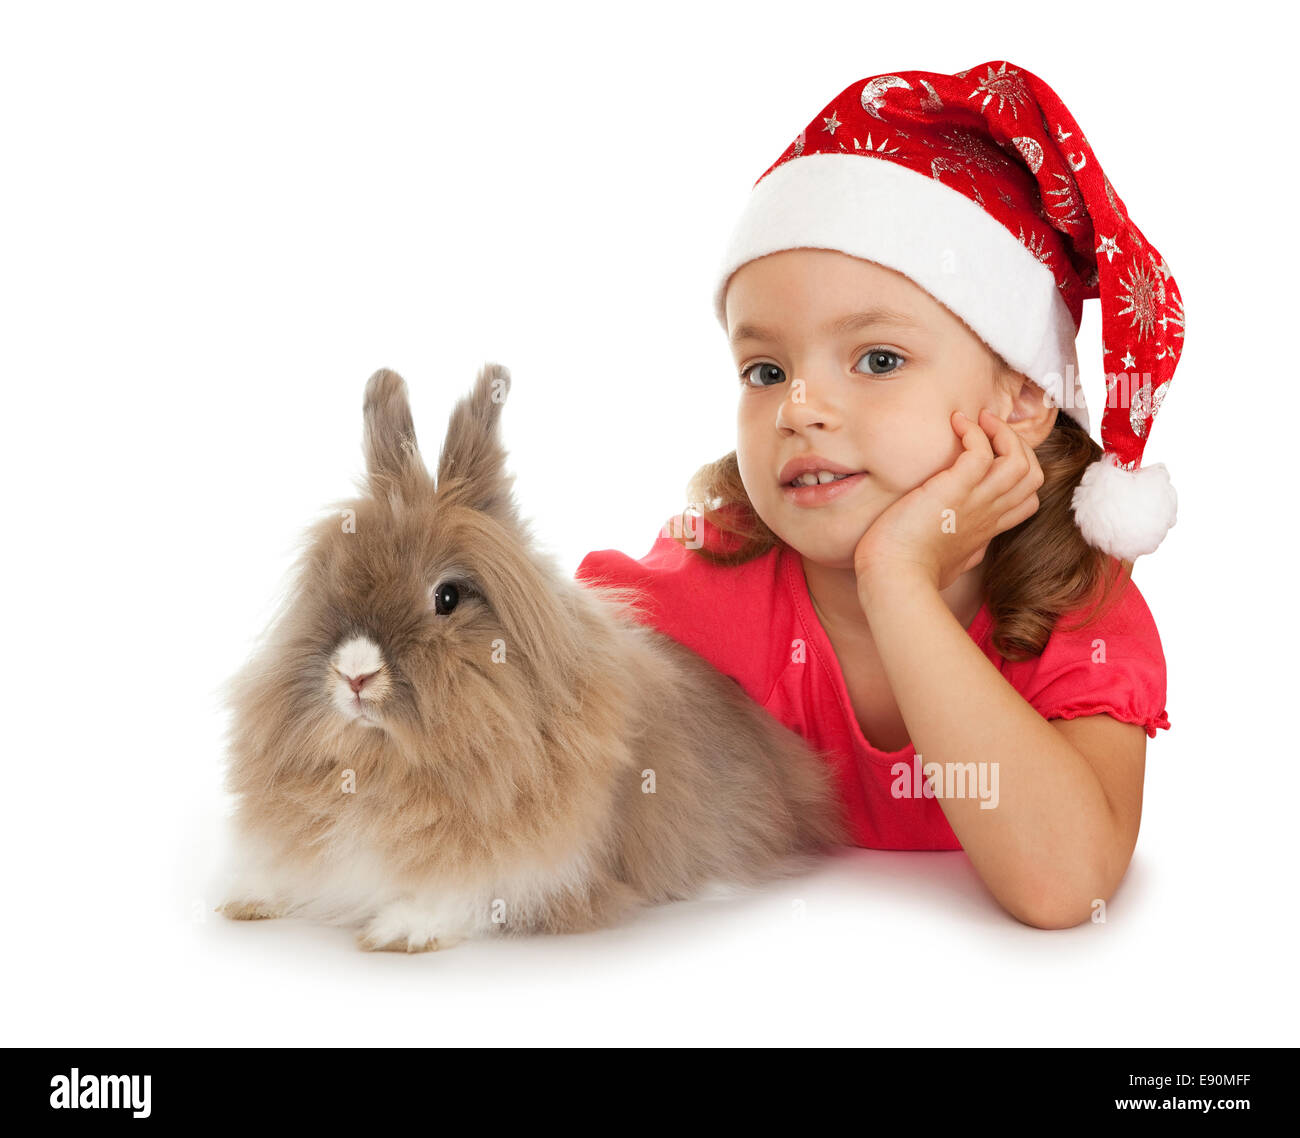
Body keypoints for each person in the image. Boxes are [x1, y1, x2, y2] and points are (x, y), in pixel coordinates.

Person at [575, 60, 1182, 930]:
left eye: (878, 360)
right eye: (765, 370)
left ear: (1021, 398)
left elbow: (1064, 886)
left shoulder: (1077, 608)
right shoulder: (717, 578)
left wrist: (896, 579)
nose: (800, 408)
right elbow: (530, 666)